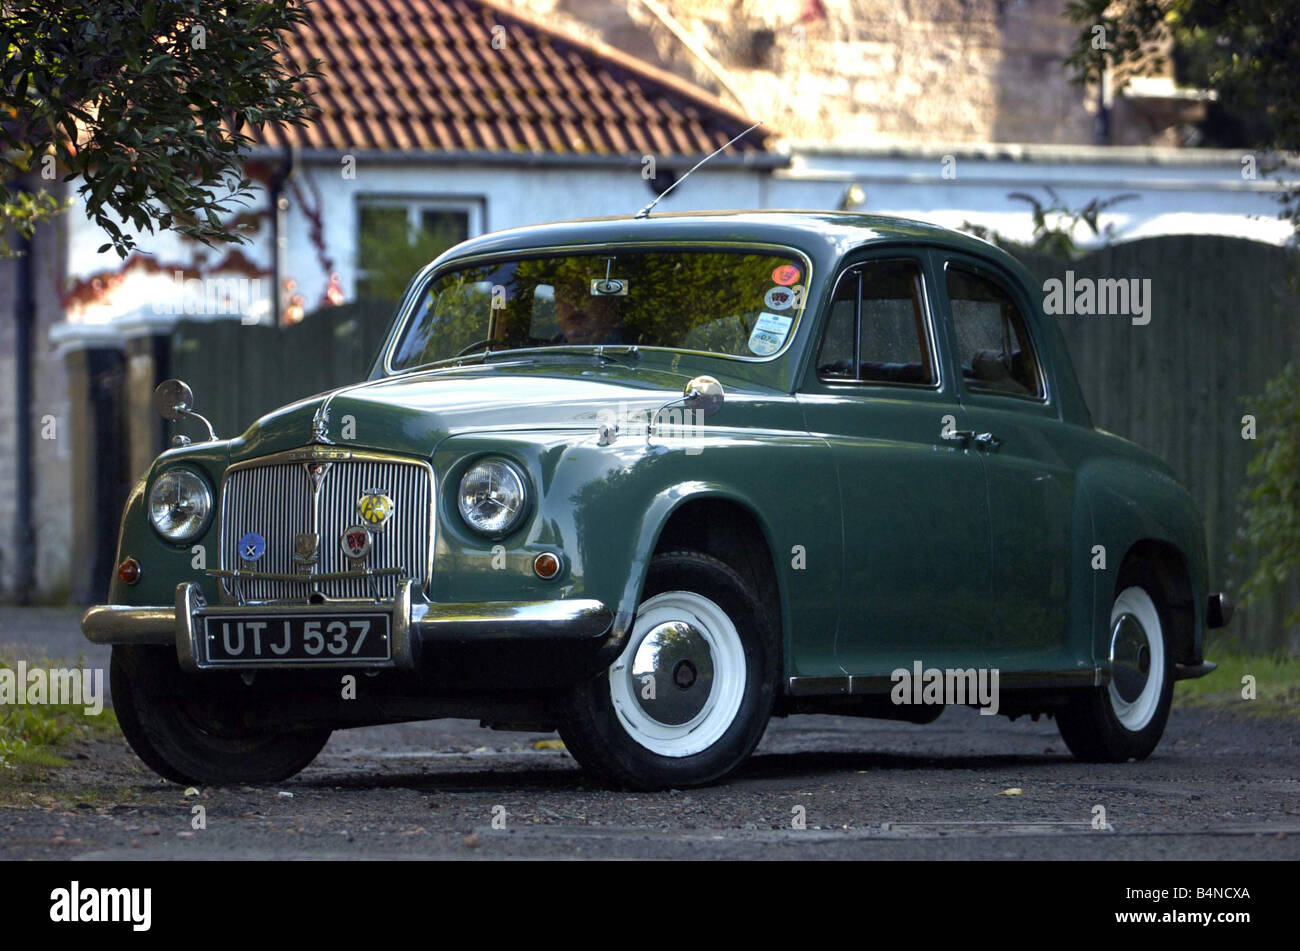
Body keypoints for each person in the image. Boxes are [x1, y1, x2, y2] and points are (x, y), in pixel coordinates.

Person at [552, 279, 624, 345]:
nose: (576, 306)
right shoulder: (545, 349)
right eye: (565, 294)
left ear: (610, 303)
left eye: (586, 294)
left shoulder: (631, 350)